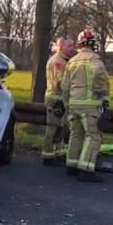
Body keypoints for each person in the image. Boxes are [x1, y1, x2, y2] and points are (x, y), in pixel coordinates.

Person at [60, 29, 109, 183]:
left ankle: (71, 165)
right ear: (93, 44)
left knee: (76, 134)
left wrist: (67, 103)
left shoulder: (72, 61)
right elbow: (98, 74)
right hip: (90, 104)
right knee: (93, 136)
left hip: (74, 103)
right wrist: (102, 95)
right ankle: (85, 169)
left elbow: (65, 86)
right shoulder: (95, 59)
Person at [42, 38, 77, 166]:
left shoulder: (64, 61)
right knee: (53, 127)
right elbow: (60, 81)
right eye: (69, 46)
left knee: (59, 128)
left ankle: (55, 153)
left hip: (60, 98)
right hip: (55, 98)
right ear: (61, 47)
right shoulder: (58, 62)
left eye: (73, 45)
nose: (73, 48)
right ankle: (48, 155)